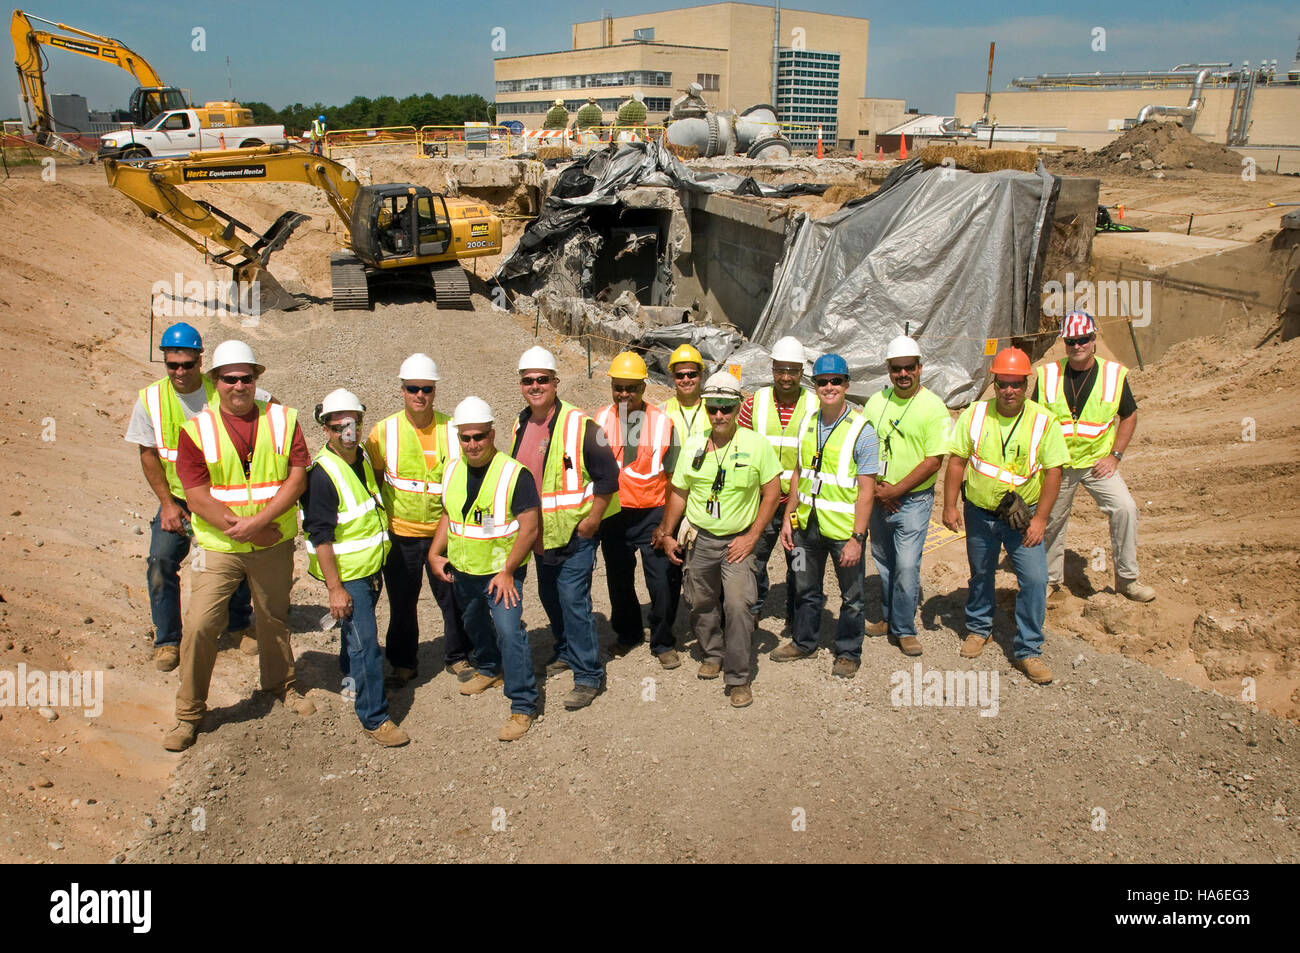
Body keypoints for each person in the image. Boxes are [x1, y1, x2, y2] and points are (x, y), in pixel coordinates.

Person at [164, 341, 313, 751]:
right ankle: (189, 714)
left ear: (256, 379)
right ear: (215, 381)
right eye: (230, 378)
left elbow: (297, 478)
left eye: (246, 377)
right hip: (218, 547)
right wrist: (243, 530)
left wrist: (262, 524)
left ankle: (281, 685)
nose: (239, 385)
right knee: (199, 625)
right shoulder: (197, 430)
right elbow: (196, 496)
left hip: (273, 542)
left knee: (273, 618)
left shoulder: (284, 419)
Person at [125, 322, 253, 672]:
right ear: (164, 362)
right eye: (172, 365)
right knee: (160, 562)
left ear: (200, 360)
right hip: (180, 500)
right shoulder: (150, 399)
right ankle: (167, 640)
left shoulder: (223, 390)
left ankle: (239, 622)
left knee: (236, 556)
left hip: (221, 496)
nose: (180, 372)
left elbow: (265, 409)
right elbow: (148, 453)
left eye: (187, 364)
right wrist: (167, 504)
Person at [942, 347, 1069, 685]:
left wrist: (1041, 519)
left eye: (1016, 384)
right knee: (980, 573)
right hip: (979, 513)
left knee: (1035, 579)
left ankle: (1029, 649)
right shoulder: (975, 415)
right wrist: (949, 505)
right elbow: (957, 460)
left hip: (1022, 519)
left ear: (1026, 385)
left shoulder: (1043, 421)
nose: (1009, 391)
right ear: (994, 384)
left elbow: (1055, 472)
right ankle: (979, 628)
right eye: (1003, 384)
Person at [655, 372, 781, 707]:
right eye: (713, 409)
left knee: (738, 605)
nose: (719, 415)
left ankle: (738, 677)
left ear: (737, 407)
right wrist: (667, 533)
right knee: (700, 601)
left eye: (726, 408)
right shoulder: (695, 444)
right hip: (700, 539)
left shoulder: (756, 445)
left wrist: (753, 536)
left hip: (738, 543)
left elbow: (772, 492)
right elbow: (679, 491)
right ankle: (712, 652)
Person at [510, 346, 620, 711]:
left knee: (574, 602)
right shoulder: (520, 423)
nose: (536, 386)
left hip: (575, 535)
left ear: (556, 383)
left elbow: (609, 477)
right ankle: (566, 650)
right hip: (540, 537)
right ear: (521, 385)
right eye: (529, 380)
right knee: (550, 598)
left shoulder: (584, 425)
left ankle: (588, 675)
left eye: (543, 379)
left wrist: (591, 521)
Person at [429, 397, 542, 742]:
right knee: (473, 623)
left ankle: (523, 704)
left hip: (501, 574)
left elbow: (530, 527)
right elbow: (448, 514)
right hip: (464, 569)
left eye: (479, 436)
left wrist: (508, 571)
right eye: (466, 438)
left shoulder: (513, 473)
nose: (472, 444)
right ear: (458, 437)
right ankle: (490, 669)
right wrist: (435, 553)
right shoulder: (451, 469)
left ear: (492, 434)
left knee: (510, 631)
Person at [302, 389, 407, 747]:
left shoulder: (360, 457)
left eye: (353, 423)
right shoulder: (322, 475)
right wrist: (335, 589)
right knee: (366, 643)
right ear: (326, 429)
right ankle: (375, 717)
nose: (347, 431)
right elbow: (322, 537)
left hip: (369, 567)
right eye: (339, 426)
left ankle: (351, 678)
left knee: (356, 639)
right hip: (349, 575)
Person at [1032, 312, 1155, 604]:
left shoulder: (1114, 375)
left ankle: (1127, 580)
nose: (1077, 346)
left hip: (1097, 461)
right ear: (1065, 342)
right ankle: (1049, 580)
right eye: (1071, 341)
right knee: (1050, 520)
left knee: (1125, 509)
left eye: (1082, 340)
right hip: (1058, 464)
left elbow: (1129, 415)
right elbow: (1033, 420)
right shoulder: (1048, 375)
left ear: (1093, 339)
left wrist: (1115, 456)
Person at [365, 354, 471, 687]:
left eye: (426, 388)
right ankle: (403, 662)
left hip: (444, 534)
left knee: (453, 599)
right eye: (413, 388)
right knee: (402, 602)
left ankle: (458, 656)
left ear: (435, 390)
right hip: (402, 534)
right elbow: (375, 480)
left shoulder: (452, 429)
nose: (420, 395)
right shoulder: (384, 431)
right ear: (402, 391)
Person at [775, 354, 878, 677]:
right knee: (805, 586)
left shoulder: (862, 431)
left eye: (836, 381)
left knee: (852, 596)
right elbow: (798, 472)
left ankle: (848, 651)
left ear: (846, 385)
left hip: (843, 532)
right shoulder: (807, 422)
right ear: (815, 385)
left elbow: (866, 490)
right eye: (823, 382)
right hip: (806, 527)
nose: (829, 387)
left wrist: (857, 538)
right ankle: (804, 641)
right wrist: (789, 518)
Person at [863, 335, 951, 656]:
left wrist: (897, 490)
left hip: (912, 501)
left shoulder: (934, 407)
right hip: (878, 497)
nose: (903, 374)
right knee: (884, 561)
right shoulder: (876, 402)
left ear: (920, 368)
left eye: (909, 368)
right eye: (897, 369)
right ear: (888, 370)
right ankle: (889, 617)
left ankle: (904, 629)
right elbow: (865, 447)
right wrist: (876, 489)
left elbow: (933, 461)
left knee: (907, 565)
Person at [594, 352, 681, 667]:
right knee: (619, 579)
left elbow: (674, 480)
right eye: (618, 387)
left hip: (652, 515)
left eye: (631, 387)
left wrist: (666, 526)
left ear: (644, 387)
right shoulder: (600, 420)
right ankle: (628, 633)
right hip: (614, 515)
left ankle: (662, 641)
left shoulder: (663, 423)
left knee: (660, 581)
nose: (623, 394)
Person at [739, 335, 816, 627]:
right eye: (780, 369)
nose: (786, 377)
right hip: (761, 501)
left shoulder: (815, 405)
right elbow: (741, 447)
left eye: (793, 370)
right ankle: (754, 607)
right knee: (755, 559)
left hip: (798, 504)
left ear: (801, 372)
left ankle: (795, 613)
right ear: (772, 369)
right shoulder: (753, 404)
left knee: (798, 562)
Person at [663, 343, 710, 446]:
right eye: (680, 375)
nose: (686, 380)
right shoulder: (662, 411)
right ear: (673, 377)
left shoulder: (714, 410)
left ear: (701, 375)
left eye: (691, 374)